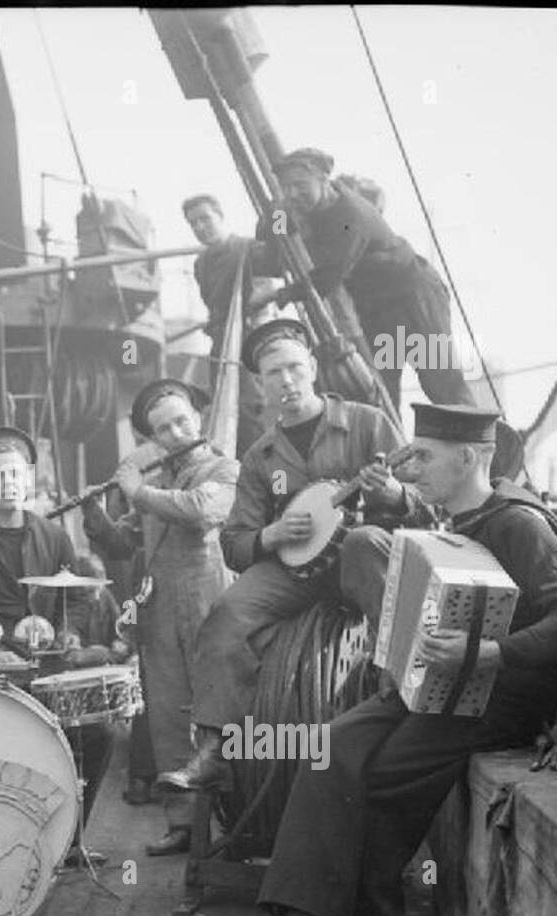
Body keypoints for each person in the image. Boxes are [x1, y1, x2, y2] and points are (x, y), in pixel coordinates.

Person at [223, 404, 557, 916]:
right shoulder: (448, 518)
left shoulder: (520, 522)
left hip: (498, 696)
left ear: (469, 457)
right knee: (330, 749)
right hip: (436, 686)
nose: (411, 467)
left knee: (383, 779)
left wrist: (489, 653)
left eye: (424, 456)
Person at [162, 318, 435, 795]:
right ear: (260, 383)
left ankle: (402, 687)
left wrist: (393, 493)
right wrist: (271, 533)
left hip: (363, 565)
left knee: (361, 540)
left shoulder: (367, 422)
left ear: (312, 367)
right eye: (273, 374)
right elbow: (234, 543)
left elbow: (429, 503)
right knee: (227, 612)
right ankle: (215, 750)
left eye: (293, 368)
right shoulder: (260, 456)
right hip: (296, 571)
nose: (286, 381)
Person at [0, 426, 113, 866]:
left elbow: (75, 600)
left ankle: (69, 837)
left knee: (98, 734)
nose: (8, 485)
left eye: (15, 476)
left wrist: (68, 631)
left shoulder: (52, 536)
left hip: (42, 666)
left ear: (28, 480)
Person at [82, 379, 240, 856]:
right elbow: (120, 543)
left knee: (218, 713)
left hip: (209, 604)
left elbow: (200, 512)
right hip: (159, 610)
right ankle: (184, 826)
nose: (174, 433)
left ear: (198, 420)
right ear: (152, 439)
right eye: (162, 429)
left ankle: (233, 823)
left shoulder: (225, 467)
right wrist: (94, 511)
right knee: (169, 717)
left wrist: (137, 489)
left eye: (181, 422)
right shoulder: (158, 480)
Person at [247, 147, 476, 410]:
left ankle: (479, 447)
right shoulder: (299, 207)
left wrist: (279, 295)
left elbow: (328, 277)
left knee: (440, 381)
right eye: (286, 188)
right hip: (376, 307)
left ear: (324, 179)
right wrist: (275, 213)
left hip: (413, 298)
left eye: (300, 185)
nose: (293, 194)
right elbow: (275, 240)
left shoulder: (350, 216)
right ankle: (392, 448)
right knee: (380, 391)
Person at [183, 194, 275, 457]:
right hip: (220, 342)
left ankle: (258, 470)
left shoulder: (250, 249)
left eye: (205, 219)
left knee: (246, 409)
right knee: (222, 409)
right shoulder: (201, 264)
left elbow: (267, 294)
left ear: (220, 216)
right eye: (193, 223)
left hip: (249, 339)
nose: (200, 227)